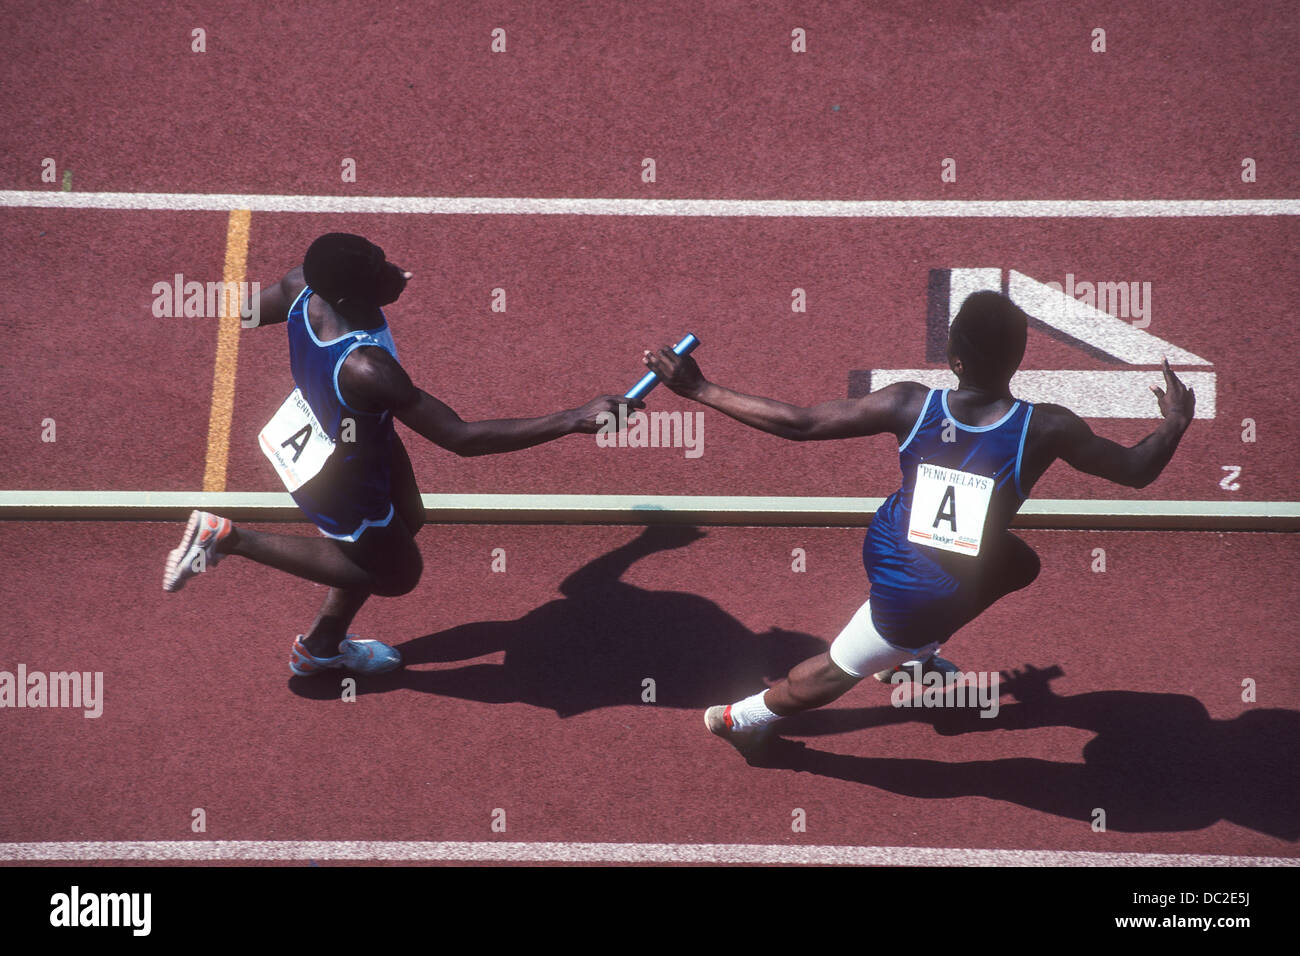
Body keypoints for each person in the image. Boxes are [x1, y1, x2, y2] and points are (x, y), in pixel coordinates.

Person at [641, 290, 1196, 755]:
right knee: (838, 670)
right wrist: (1173, 421)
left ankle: (910, 656)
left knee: (1019, 562)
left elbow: (800, 424)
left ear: (954, 360)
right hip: (924, 587)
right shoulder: (1049, 427)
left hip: (896, 543)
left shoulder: (911, 404)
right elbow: (1136, 470)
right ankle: (742, 720)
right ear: (1018, 359)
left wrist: (698, 387)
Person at [164, 233, 639, 677]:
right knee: (396, 574)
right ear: (350, 298)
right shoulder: (369, 369)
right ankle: (228, 539)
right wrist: (573, 418)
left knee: (406, 520)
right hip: (341, 475)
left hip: (358, 430)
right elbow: (462, 438)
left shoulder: (301, 287)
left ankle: (322, 647)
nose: (395, 274)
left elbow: (245, 313)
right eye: (380, 275)